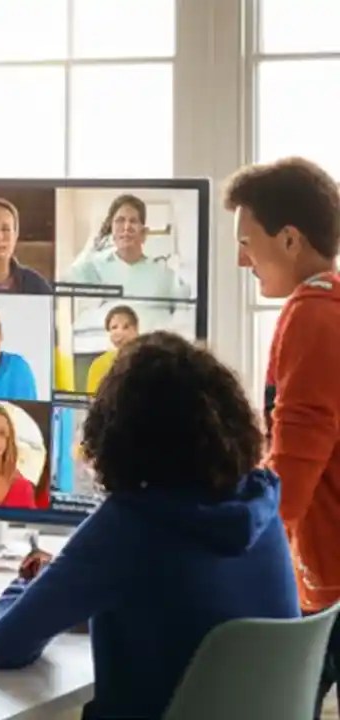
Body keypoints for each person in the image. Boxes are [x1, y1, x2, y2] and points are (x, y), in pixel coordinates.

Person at [0, 332, 299, 720]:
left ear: (120, 434)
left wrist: (29, 580)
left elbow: (2, 646)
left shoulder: (130, 526)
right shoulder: (260, 504)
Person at [224, 156, 340, 717]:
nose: (241, 258)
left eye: (248, 241)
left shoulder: (312, 315)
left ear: (290, 238)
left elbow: (289, 483)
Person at [66, 193, 190, 300]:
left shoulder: (162, 272)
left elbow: (184, 303)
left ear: (143, 233)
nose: (126, 227)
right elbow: (70, 279)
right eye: (120, 220)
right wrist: (96, 236)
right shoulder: (95, 267)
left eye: (133, 221)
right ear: (111, 230)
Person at [84, 304, 139, 394]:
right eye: (114, 327)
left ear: (136, 329)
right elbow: (93, 398)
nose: (119, 332)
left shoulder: (150, 360)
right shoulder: (99, 364)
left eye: (126, 327)